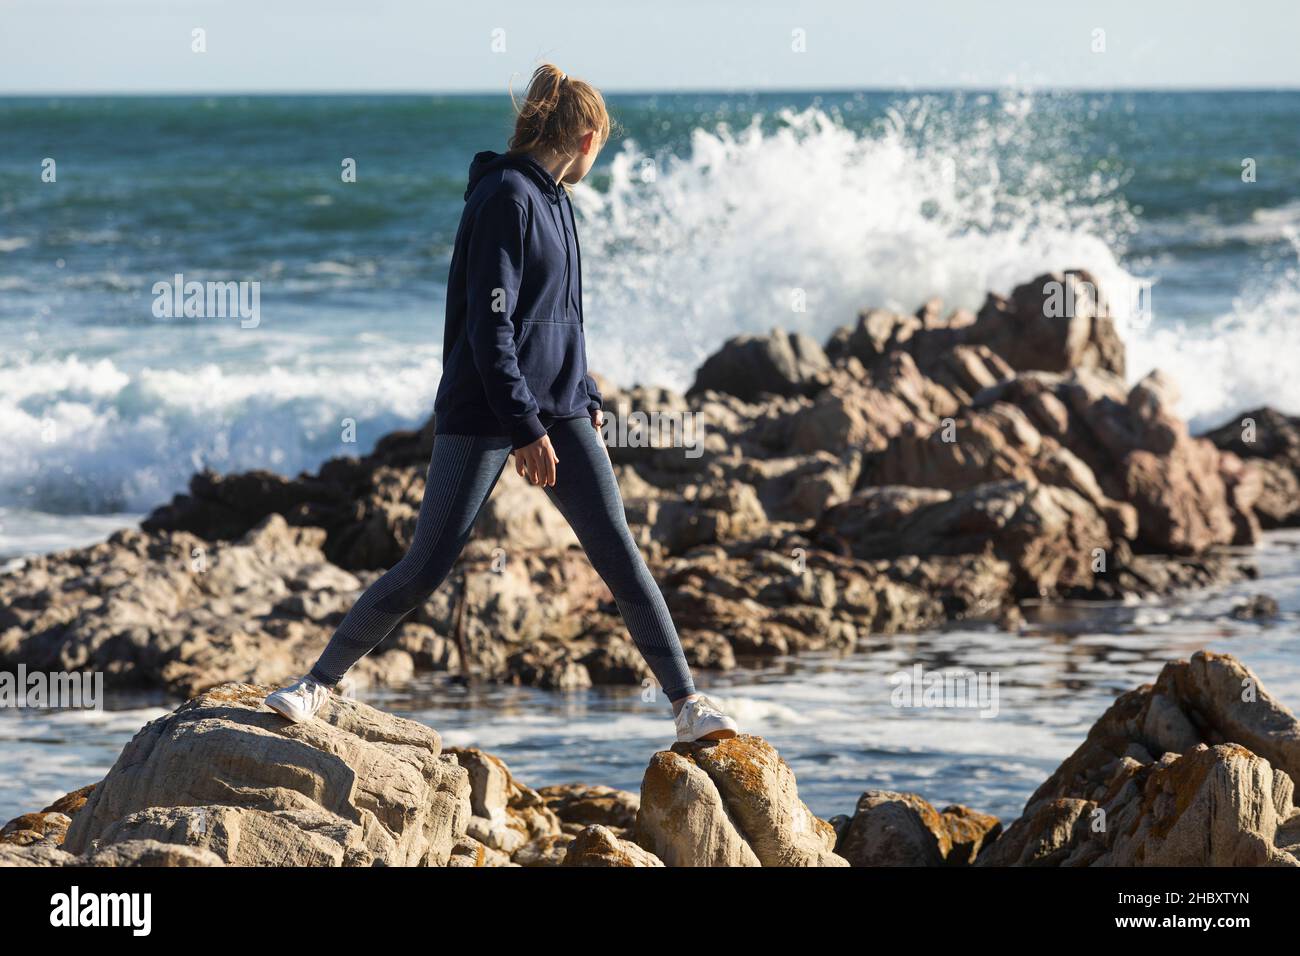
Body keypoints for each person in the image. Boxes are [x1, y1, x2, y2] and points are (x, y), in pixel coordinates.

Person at [265, 64, 739, 743]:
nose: (595, 161)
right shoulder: (507, 198)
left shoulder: (554, 200)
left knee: (620, 556)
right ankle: (313, 686)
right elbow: (492, 327)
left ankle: (688, 705)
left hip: (560, 410)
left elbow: (561, 316)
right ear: (584, 136)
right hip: (484, 410)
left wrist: (586, 394)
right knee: (427, 563)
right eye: (599, 148)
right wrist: (523, 427)